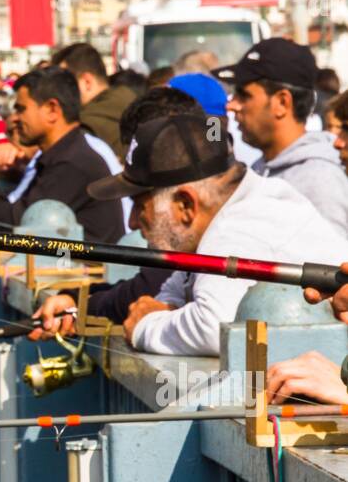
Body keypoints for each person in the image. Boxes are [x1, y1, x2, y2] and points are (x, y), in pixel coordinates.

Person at [79, 111, 348, 357]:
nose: (133, 221)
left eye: (140, 206)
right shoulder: (227, 215)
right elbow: (170, 295)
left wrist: (144, 328)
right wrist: (161, 312)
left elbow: (214, 328)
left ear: (186, 205)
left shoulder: (239, 227)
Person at [32, 87, 203, 336]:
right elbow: (147, 290)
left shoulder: (226, 231)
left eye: (138, 151)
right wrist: (77, 300)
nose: (133, 222)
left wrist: (82, 305)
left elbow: (149, 293)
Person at [0, 67, 124, 242]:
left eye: (21, 109)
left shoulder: (72, 163)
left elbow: (15, 226)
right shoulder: (63, 153)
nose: (15, 118)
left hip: (79, 266)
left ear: (52, 109)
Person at [216, 37, 348, 232]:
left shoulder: (318, 181)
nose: (231, 105)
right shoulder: (262, 166)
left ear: (282, 103)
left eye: (244, 95)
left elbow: (331, 260)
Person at [53, 42, 137, 159]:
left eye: (64, 84)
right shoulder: (131, 101)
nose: (59, 93)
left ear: (87, 82)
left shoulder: (85, 124)